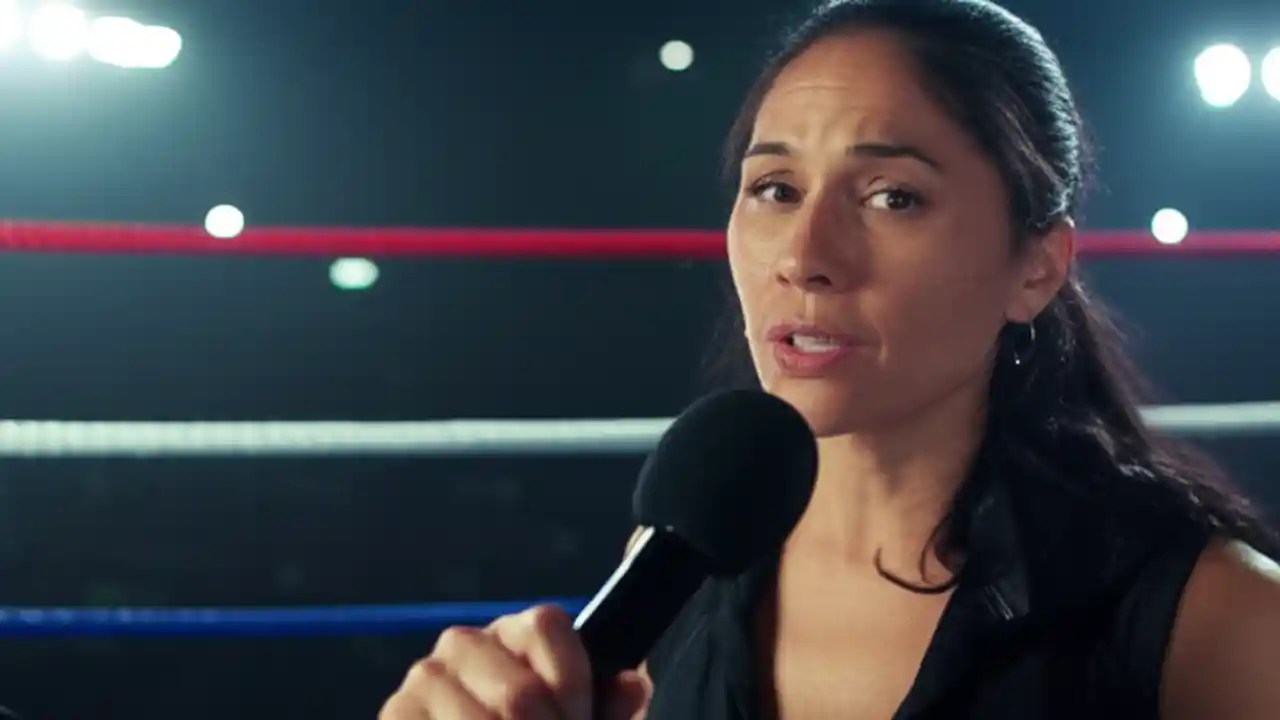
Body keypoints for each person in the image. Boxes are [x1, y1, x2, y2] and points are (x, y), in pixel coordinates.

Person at [379, 0, 1280, 717]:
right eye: (774, 188)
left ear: (1036, 266)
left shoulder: (1208, 617)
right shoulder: (681, 573)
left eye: (893, 196)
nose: (805, 254)